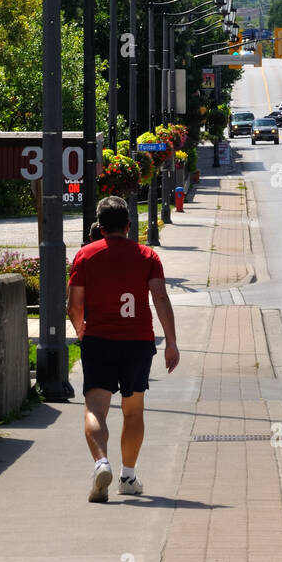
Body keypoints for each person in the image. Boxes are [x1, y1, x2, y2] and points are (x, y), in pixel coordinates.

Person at [66, 195, 179, 503]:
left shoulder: (85, 256)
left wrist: (80, 330)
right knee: (133, 411)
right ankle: (128, 477)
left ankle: (102, 463)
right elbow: (160, 299)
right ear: (129, 226)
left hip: (100, 341)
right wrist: (171, 342)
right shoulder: (147, 256)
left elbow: (74, 304)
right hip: (138, 343)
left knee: (96, 409)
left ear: (100, 228)